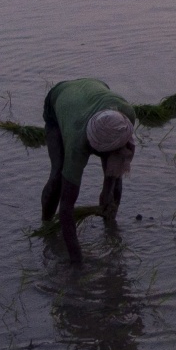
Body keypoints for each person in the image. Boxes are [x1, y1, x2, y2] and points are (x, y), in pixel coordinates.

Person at [39, 78, 136, 265]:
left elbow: (116, 164)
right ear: (97, 148)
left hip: (94, 87)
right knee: (57, 176)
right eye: (111, 151)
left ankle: (110, 225)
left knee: (116, 166)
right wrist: (77, 262)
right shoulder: (77, 145)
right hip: (59, 99)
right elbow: (66, 209)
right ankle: (46, 227)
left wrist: (107, 191)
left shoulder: (126, 113)